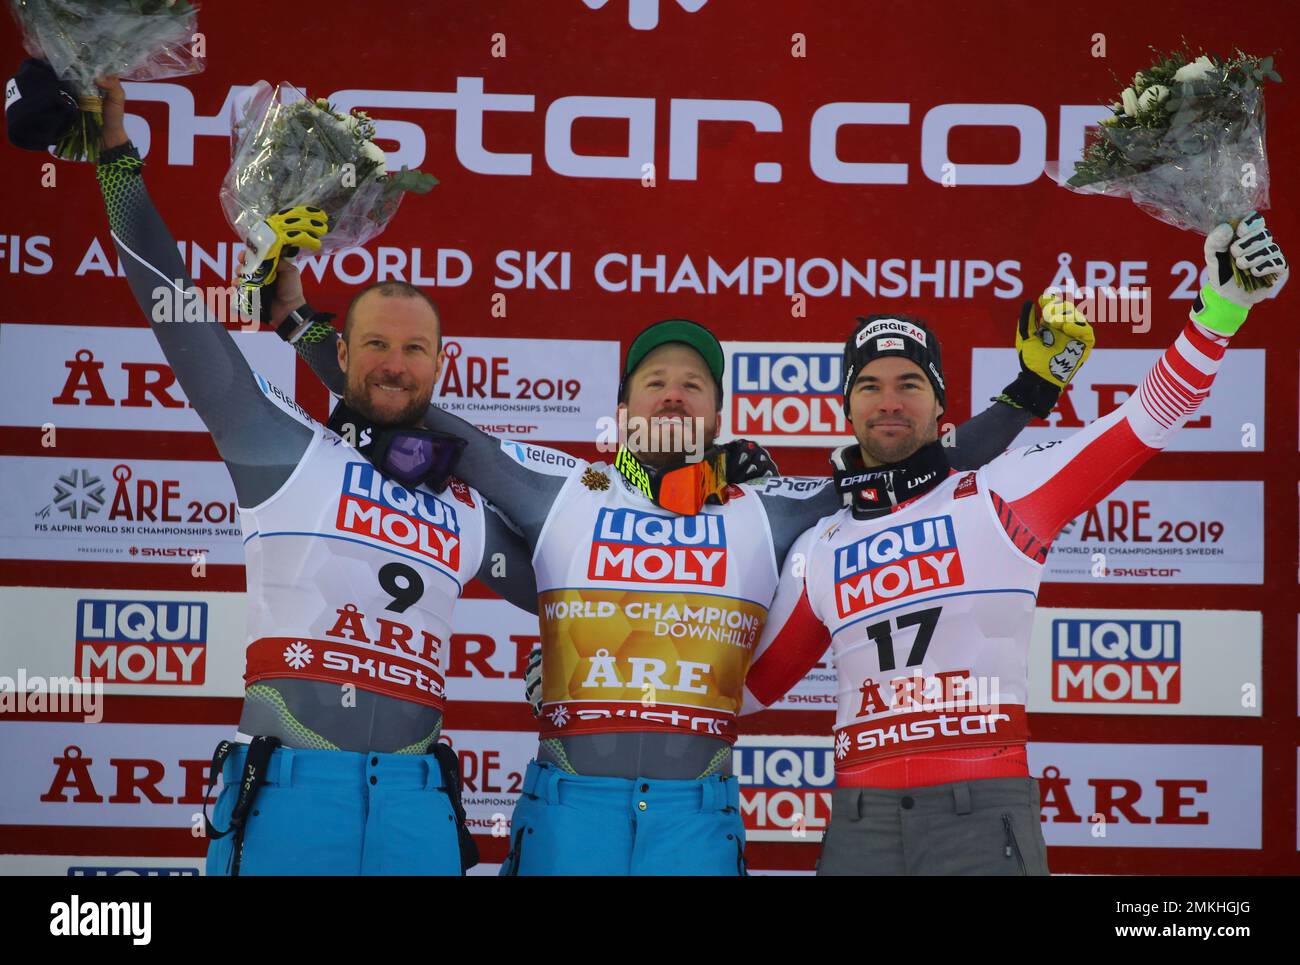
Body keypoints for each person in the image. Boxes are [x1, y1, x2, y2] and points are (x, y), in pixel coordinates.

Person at [281, 269, 1094, 871]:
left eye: (693, 384)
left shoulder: (769, 510)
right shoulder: (558, 487)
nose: (674, 396)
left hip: (694, 822)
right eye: (655, 382)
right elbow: (403, 403)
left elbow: (917, 465)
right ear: (623, 410)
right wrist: (297, 325)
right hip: (567, 817)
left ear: (718, 413)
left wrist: (1029, 391)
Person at [742, 216, 1288, 875]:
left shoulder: (1003, 493)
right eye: (869, 386)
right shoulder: (823, 546)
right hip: (861, 824)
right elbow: (750, 689)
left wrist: (1221, 309)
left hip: (980, 814)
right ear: (846, 408)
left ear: (940, 404)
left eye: (909, 384)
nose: (889, 402)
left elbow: (1147, 417)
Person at [90, 77, 540, 875]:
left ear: (442, 365)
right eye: (375, 345)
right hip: (288, 799)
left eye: (414, 349)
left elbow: (580, 586)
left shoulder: (466, 509)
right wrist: (114, 156)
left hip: (418, 807)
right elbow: (168, 300)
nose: (394, 365)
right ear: (339, 352)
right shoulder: (277, 446)